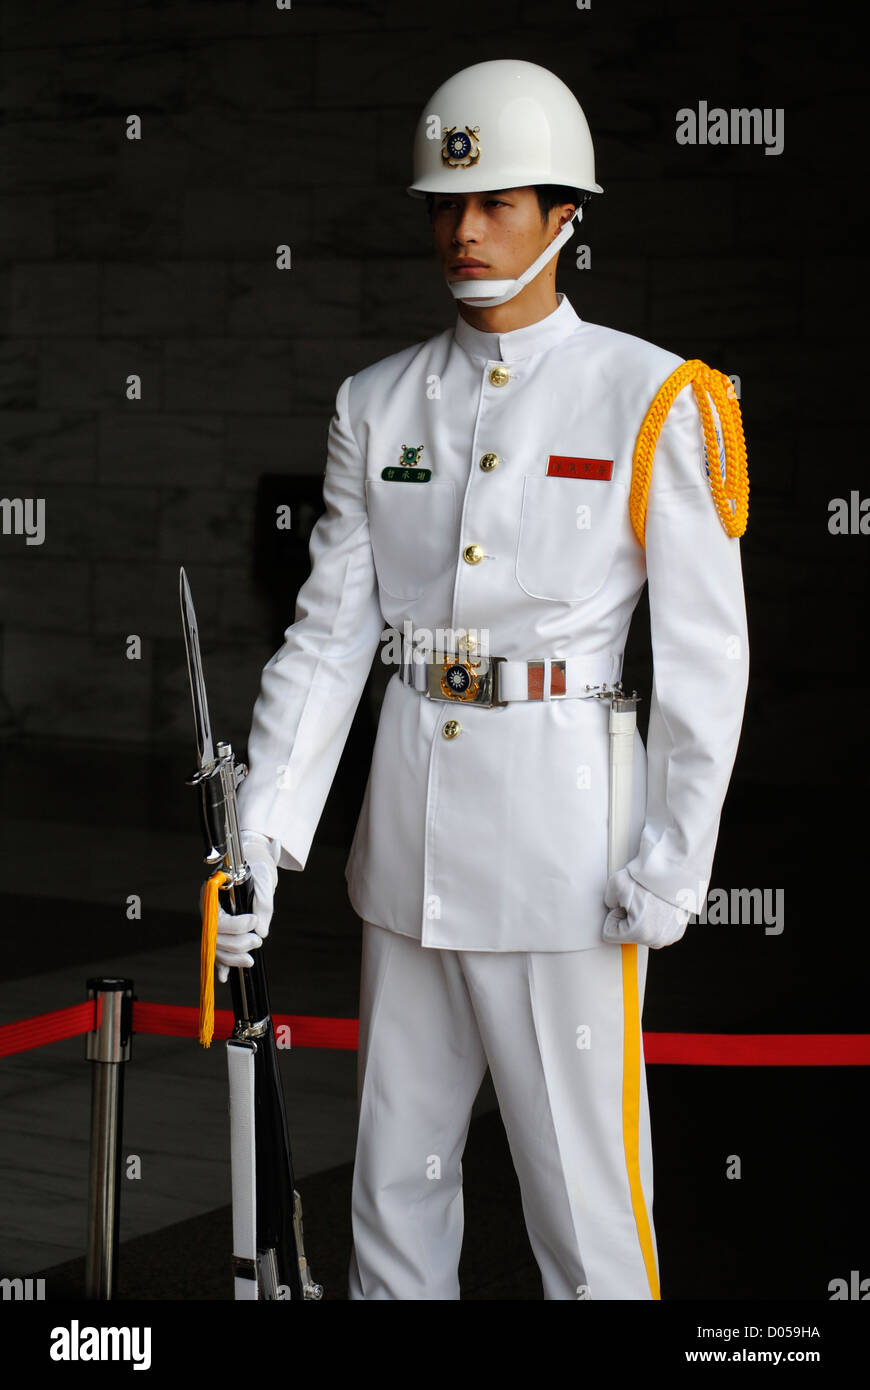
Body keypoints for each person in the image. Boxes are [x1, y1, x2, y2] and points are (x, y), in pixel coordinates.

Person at [214, 58, 750, 1300]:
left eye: (497, 201)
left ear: (566, 215)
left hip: (569, 863)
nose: (462, 228)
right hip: (403, 856)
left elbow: (707, 659)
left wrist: (676, 855)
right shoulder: (377, 402)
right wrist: (264, 829)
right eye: (444, 204)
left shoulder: (653, 395)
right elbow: (334, 631)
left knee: (585, 1208)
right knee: (393, 1188)